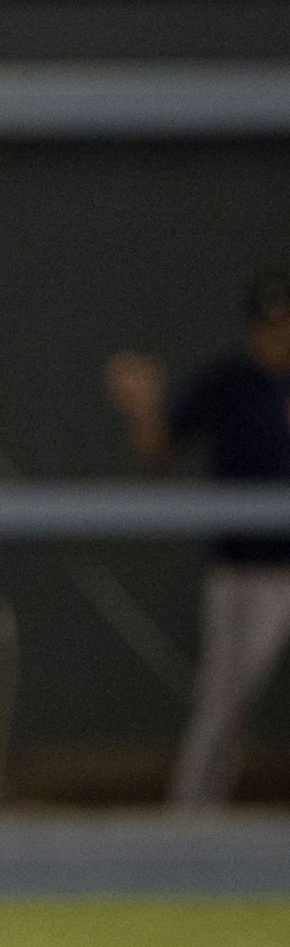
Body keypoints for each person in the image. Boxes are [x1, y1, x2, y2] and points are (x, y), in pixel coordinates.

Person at [106, 272, 290, 806]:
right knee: (225, 696)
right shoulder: (231, 380)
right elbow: (158, 448)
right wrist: (143, 404)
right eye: (273, 323)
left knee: (229, 697)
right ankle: (192, 813)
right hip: (242, 570)